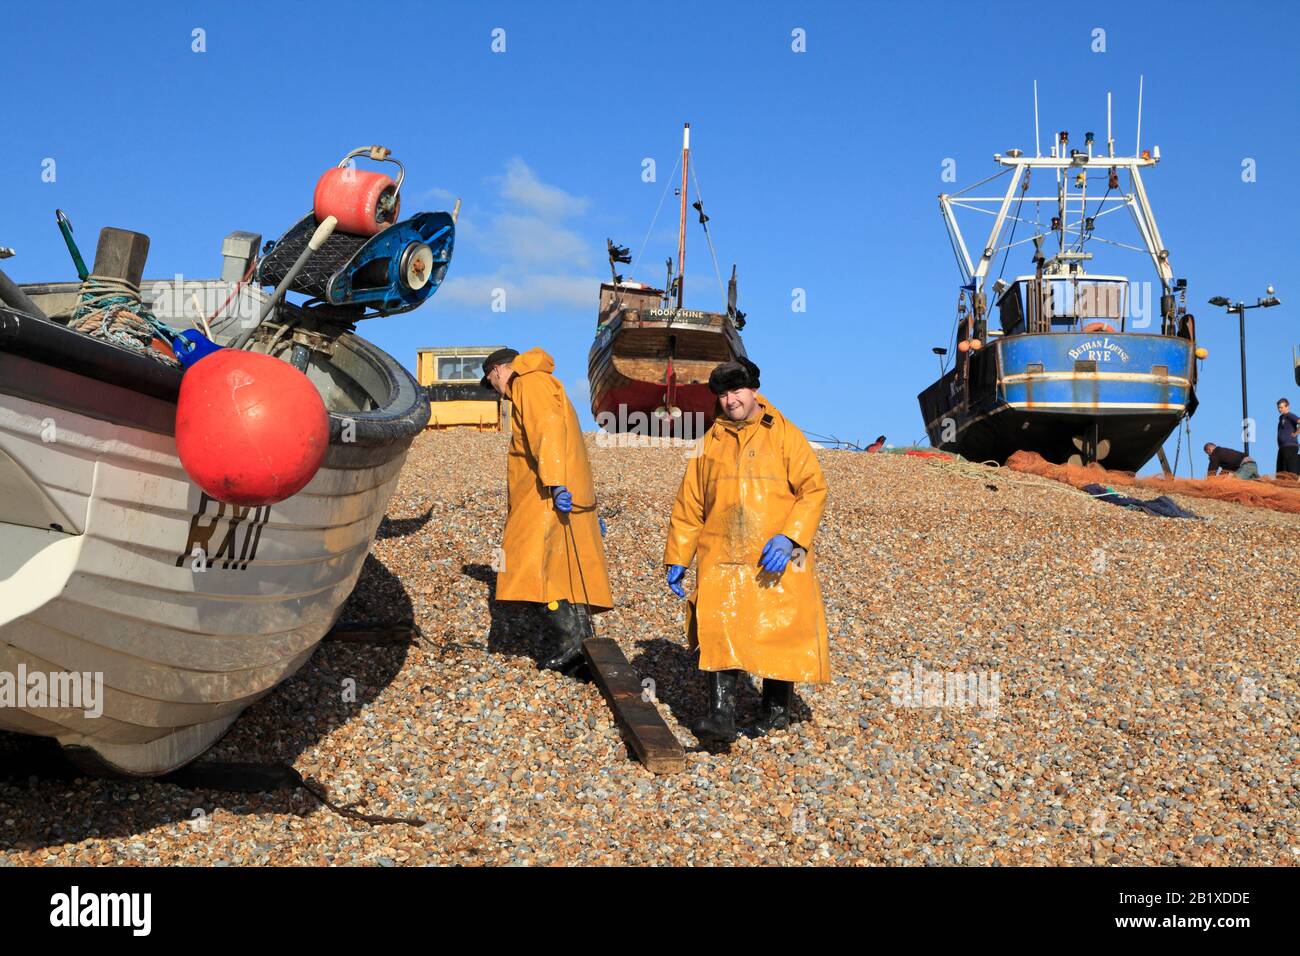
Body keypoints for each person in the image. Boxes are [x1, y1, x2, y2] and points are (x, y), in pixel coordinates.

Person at [663, 357, 830, 743]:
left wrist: (791, 537)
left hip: (774, 555)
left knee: (779, 629)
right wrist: (677, 556)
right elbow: (689, 505)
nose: (730, 400)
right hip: (721, 554)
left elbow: (814, 489)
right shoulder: (707, 444)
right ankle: (721, 718)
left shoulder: (785, 434)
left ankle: (776, 712)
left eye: (736, 391)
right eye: (722, 394)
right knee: (719, 627)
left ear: (754, 390)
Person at [482, 347, 613, 675]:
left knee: (534, 569)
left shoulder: (528, 383)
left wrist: (555, 483)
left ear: (498, 371)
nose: (496, 390)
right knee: (564, 572)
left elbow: (547, 430)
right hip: (562, 494)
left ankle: (570, 646)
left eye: (490, 381)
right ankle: (583, 649)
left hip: (544, 497)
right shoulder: (545, 383)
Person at [1275, 398, 1299, 477]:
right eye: (1278, 407)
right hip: (1282, 447)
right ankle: (1283, 486)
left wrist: (1296, 433)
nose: (1279, 409)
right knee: (1281, 470)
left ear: (1287, 407)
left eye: (1281, 407)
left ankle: (1294, 486)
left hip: (1290, 446)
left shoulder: (1289, 415)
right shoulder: (1281, 418)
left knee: (1291, 470)